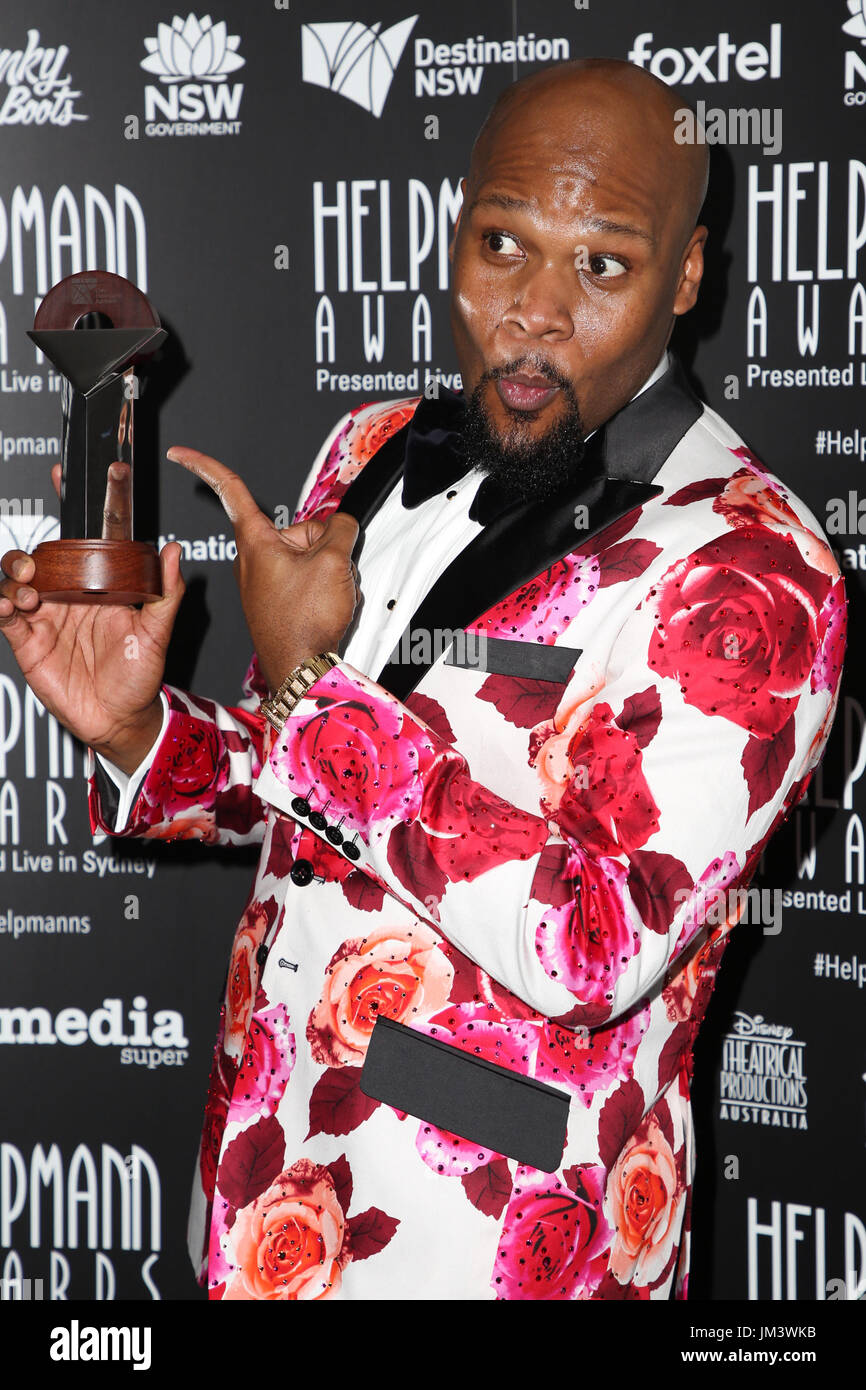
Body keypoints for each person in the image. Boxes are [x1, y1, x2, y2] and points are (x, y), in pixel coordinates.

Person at [0, 59, 846, 1301]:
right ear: (454, 230)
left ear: (684, 274)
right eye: (502, 242)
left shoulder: (753, 568)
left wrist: (310, 696)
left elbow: (595, 943)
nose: (535, 310)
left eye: (601, 264)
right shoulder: (374, 447)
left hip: (486, 1244)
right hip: (261, 1178)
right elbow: (303, 789)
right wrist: (141, 730)